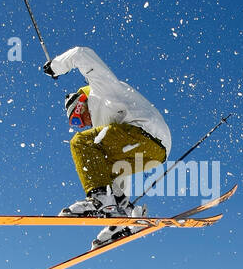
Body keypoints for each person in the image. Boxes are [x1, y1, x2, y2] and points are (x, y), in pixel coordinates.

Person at [43, 46, 171, 246]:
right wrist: (121, 217)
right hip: (155, 151)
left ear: (79, 104)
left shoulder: (100, 89)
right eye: (76, 124)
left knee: (80, 142)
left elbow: (80, 54)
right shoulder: (106, 131)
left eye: (76, 119)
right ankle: (124, 216)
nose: (82, 124)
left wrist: (56, 66)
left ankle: (100, 200)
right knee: (102, 169)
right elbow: (121, 172)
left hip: (145, 132)